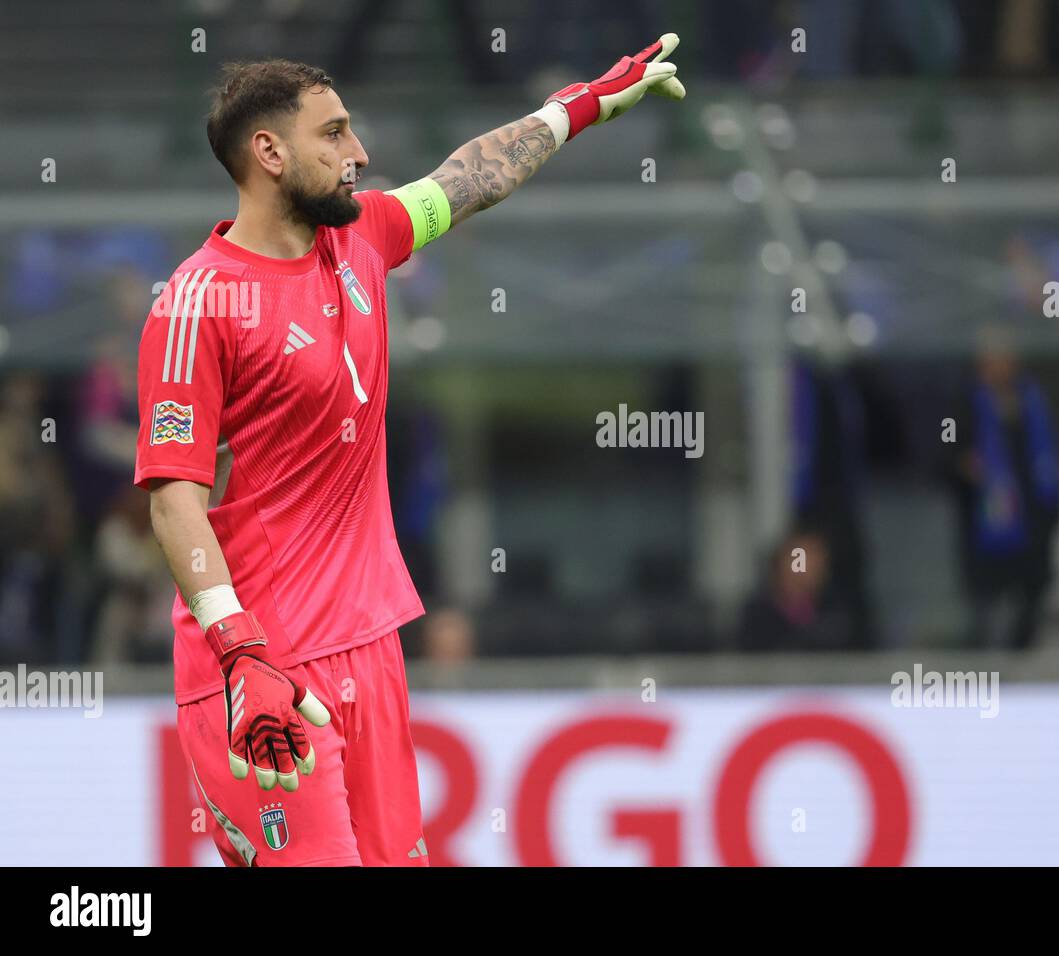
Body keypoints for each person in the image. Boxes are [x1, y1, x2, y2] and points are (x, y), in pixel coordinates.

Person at [136, 43, 686, 867]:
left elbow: (469, 180)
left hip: (370, 645)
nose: (358, 154)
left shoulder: (365, 241)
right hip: (262, 668)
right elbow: (173, 495)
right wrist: (239, 650)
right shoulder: (196, 303)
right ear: (269, 152)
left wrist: (578, 108)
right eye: (335, 134)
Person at [950, 331, 1059, 650]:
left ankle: (1020, 677)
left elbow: (1052, 459)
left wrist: (1053, 513)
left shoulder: (1035, 400)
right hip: (986, 530)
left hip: (1032, 526)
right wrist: (962, 464)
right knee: (985, 614)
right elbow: (943, 452)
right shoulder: (964, 405)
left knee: (1029, 609)